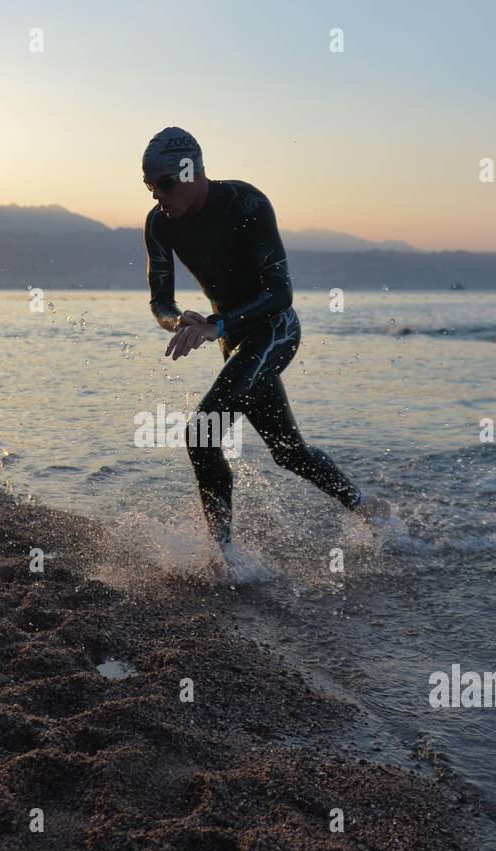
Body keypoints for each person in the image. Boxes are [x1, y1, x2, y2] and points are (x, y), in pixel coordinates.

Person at [141, 127, 389, 574]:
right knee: (288, 453)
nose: (159, 195)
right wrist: (182, 320)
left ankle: (225, 556)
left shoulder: (245, 204)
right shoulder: (159, 223)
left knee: (201, 432)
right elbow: (159, 301)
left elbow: (280, 293)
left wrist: (218, 324)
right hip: (234, 341)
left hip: (274, 331)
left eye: (165, 183)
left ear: (190, 169)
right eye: (150, 186)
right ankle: (366, 506)